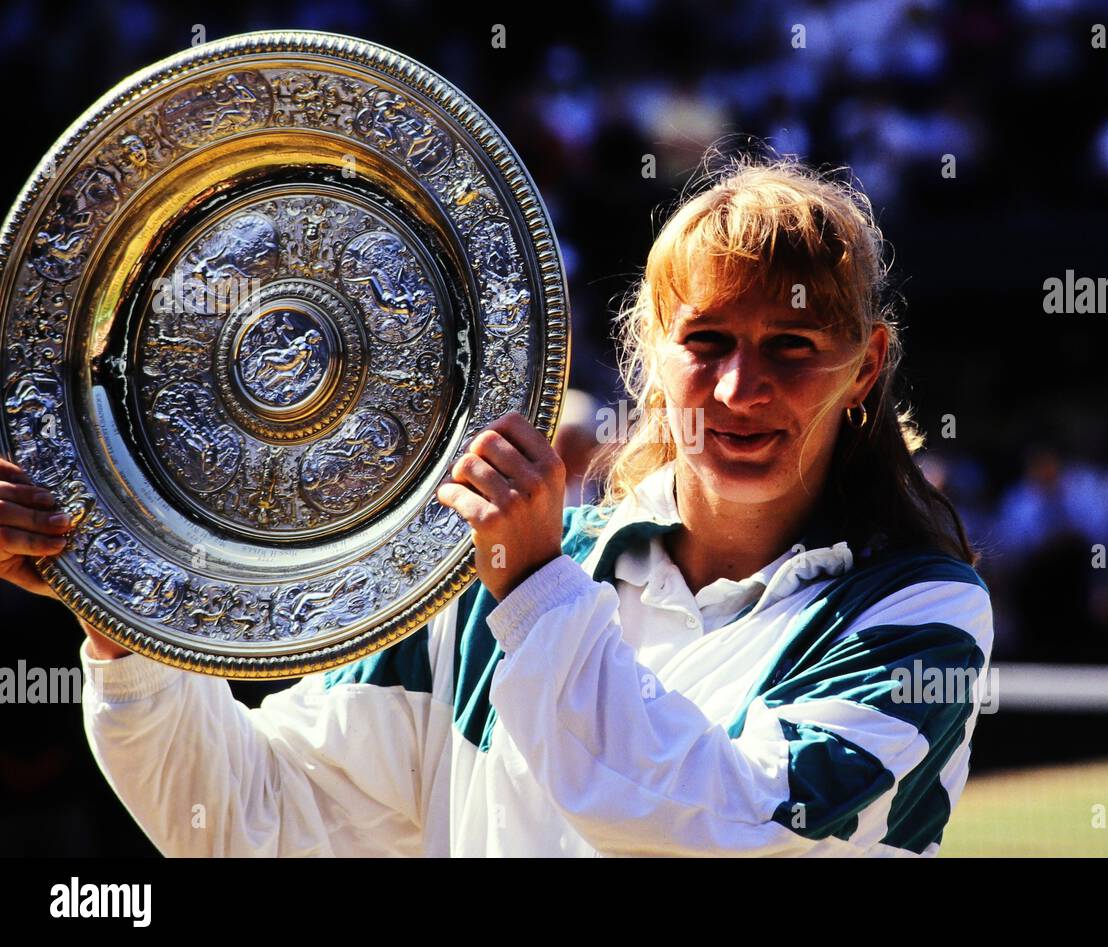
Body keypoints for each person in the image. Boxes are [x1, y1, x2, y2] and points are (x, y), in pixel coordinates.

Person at [0, 152, 994, 857]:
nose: (741, 390)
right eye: (708, 342)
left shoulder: (920, 617)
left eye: (791, 347)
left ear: (863, 367)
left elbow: (724, 826)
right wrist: (124, 612)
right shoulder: (484, 593)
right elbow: (253, 822)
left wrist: (534, 588)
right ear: (649, 345)